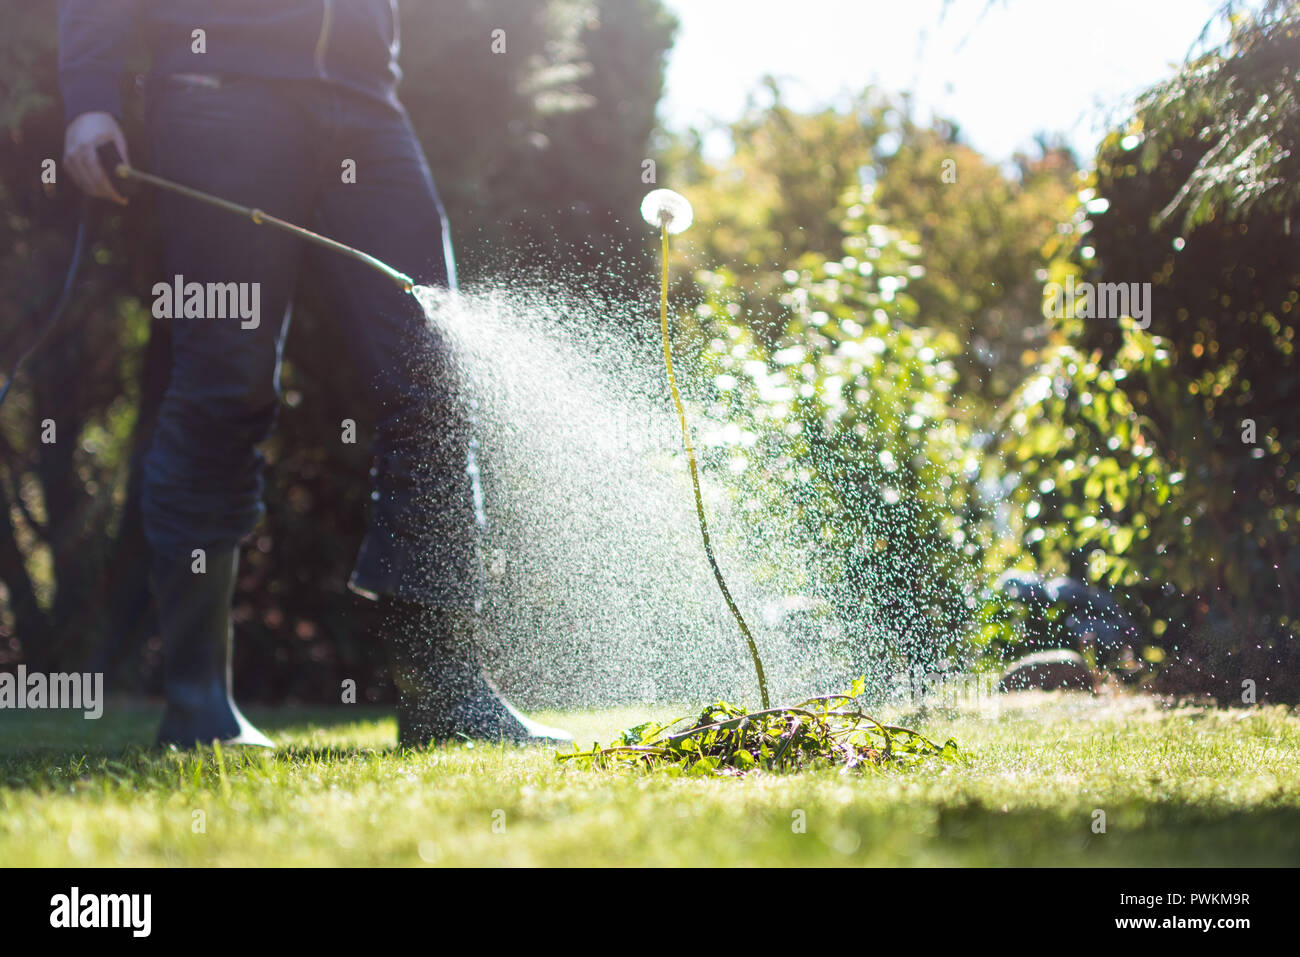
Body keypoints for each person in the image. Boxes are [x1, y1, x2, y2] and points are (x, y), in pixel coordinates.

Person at [57, 0, 571, 748]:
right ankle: (198, 703)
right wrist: (90, 98)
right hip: (219, 88)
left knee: (437, 372)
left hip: (366, 100)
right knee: (224, 386)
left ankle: (443, 696)